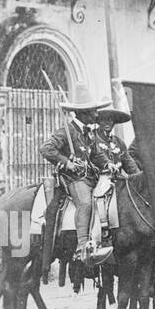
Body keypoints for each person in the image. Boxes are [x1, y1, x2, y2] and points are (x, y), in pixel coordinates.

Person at [40, 83, 116, 277]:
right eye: (93, 111)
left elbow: (98, 154)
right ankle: (82, 248)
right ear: (83, 113)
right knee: (85, 203)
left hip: (91, 177)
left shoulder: (88, 133)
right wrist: (67, 163)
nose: (96, 115)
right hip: (72, 179)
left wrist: (109, 164)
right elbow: (46, 149)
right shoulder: (66, 131)